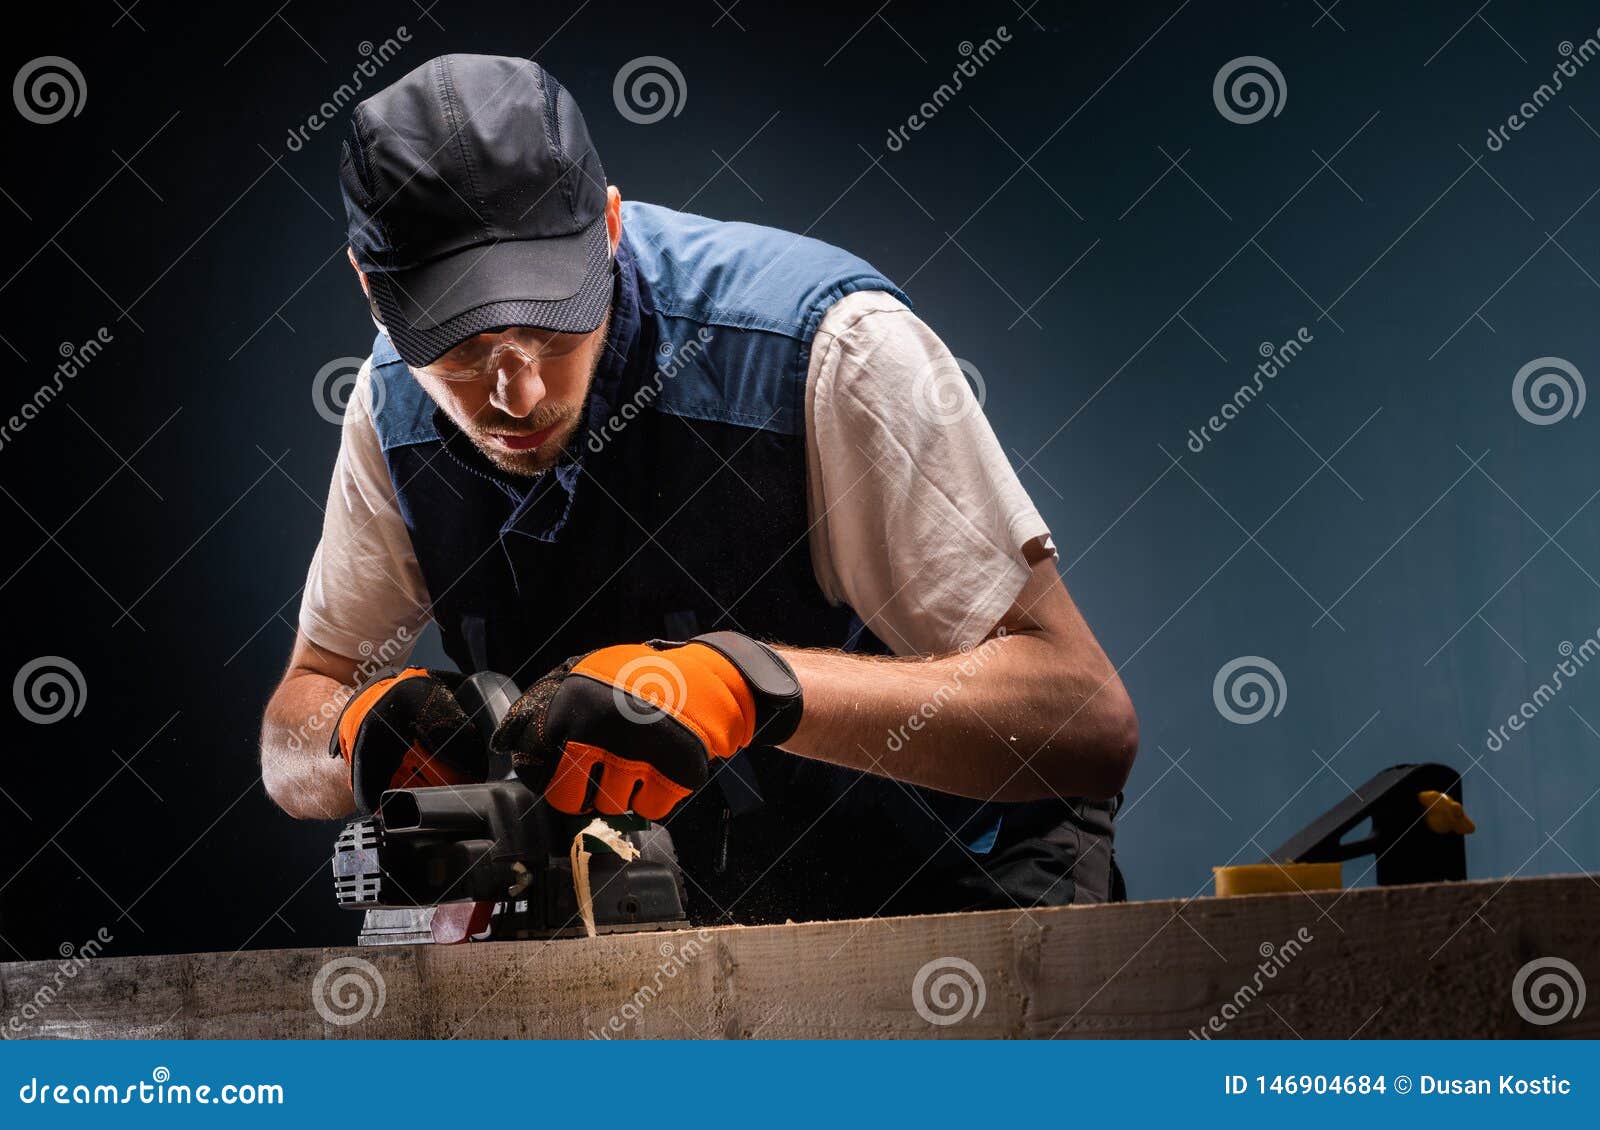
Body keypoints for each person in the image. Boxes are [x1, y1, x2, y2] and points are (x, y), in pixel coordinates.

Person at [259, 53, 1137, 924]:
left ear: (606, 230)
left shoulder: (834, 352)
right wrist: (352, 736)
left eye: (551, 330)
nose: (515, 397)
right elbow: (289, 731)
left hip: (965, 878)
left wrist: (751, 688)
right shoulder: (389, 410)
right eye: (458, 352)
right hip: (708, 912)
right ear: (374, 293)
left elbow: (1088, 724)